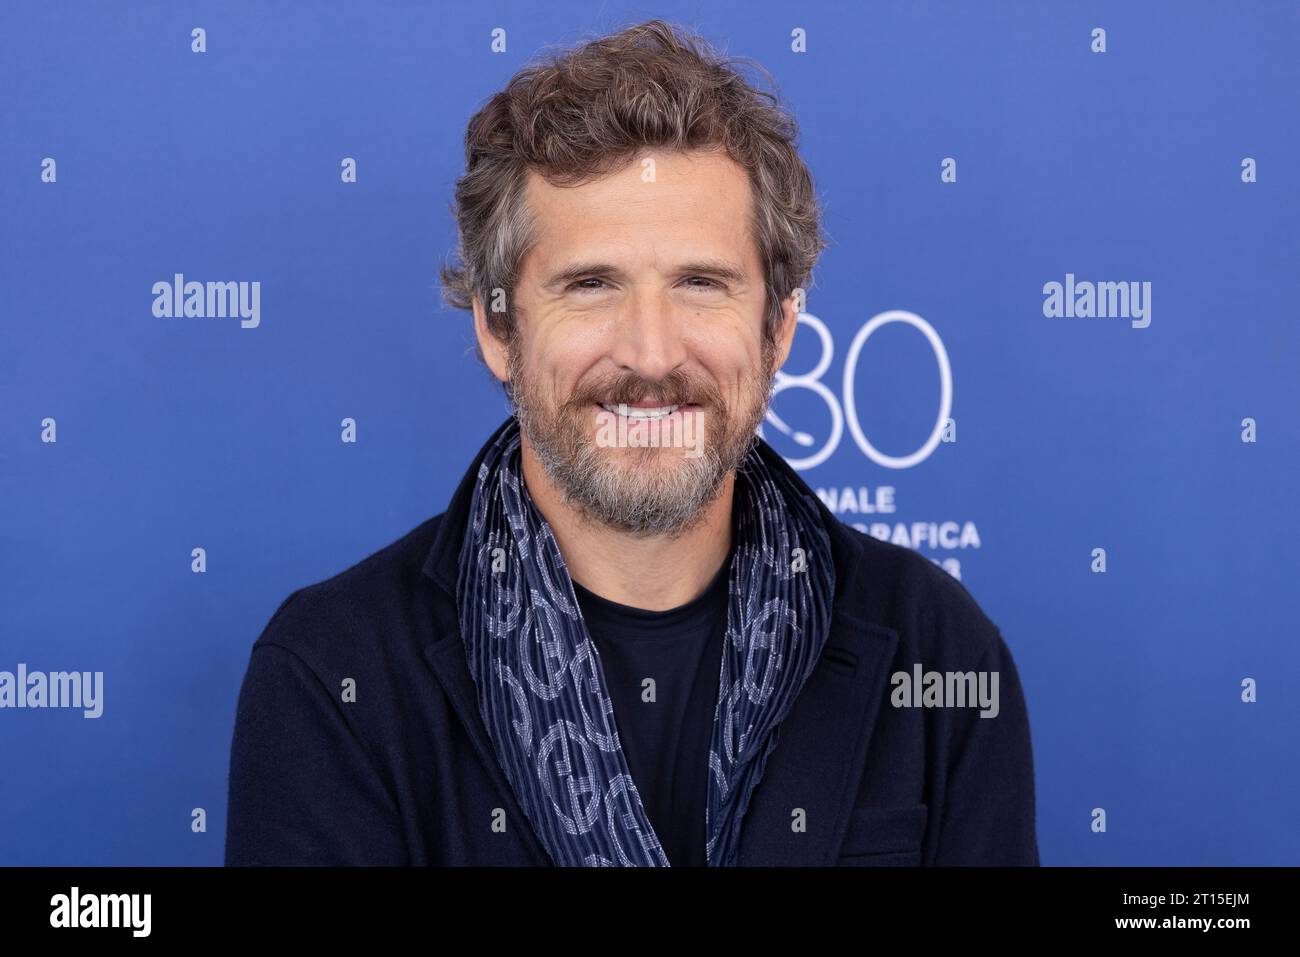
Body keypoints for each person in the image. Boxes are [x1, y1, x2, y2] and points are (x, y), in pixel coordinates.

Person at [224, 18, 1038, 867]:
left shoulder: (935, 650)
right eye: (591, 285)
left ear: (779, 329)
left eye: (700, 284)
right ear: (499, 327)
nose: (650, 354)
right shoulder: (335, 674)